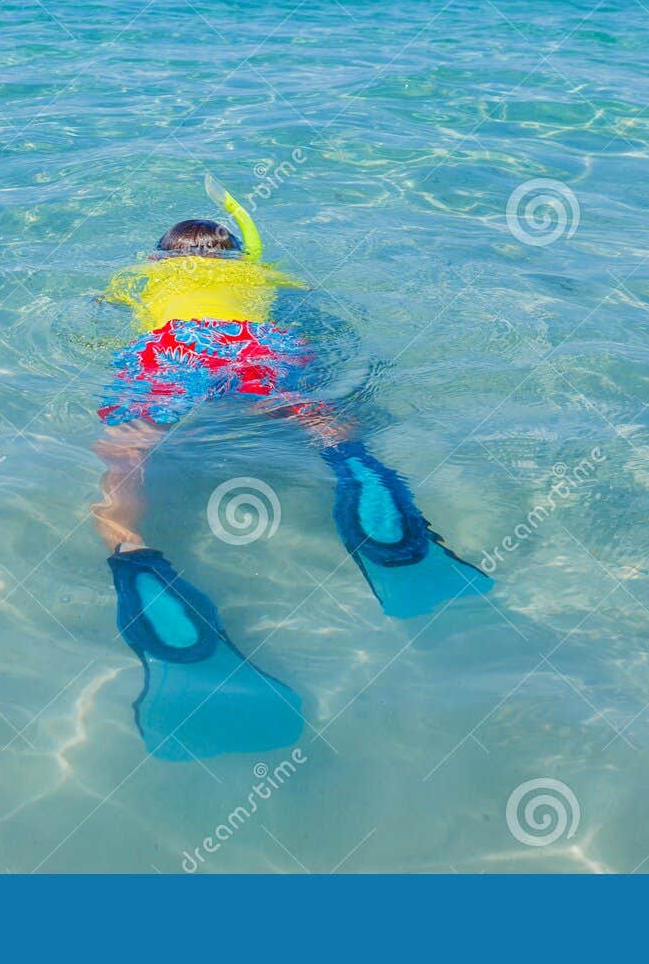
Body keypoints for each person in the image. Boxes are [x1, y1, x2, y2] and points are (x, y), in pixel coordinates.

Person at [93, 176, 492, 761]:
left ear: (160, 258)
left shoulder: (142, 275)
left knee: (127, 454)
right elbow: (301, 299)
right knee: (325, 425)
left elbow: (106, 308)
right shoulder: (259, 275)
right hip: (255, 343)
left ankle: (132, 555)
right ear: (235, 257)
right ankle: (374, 500)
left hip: (172, 348)